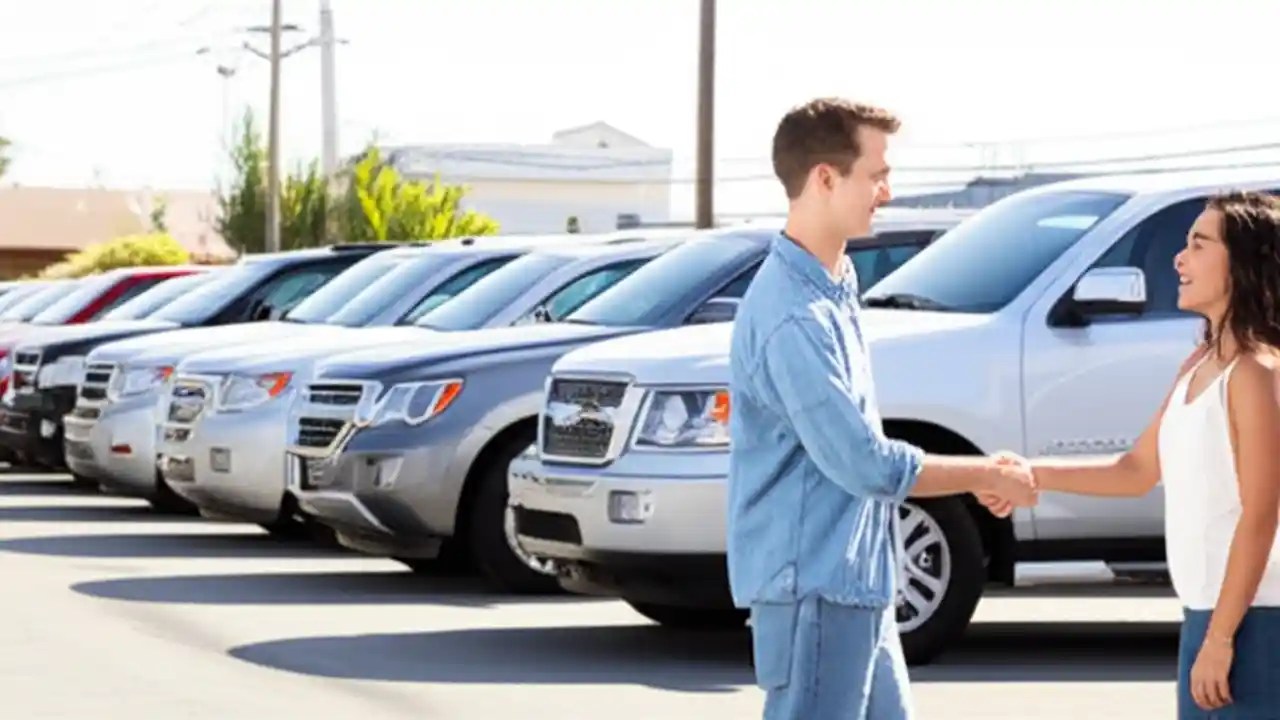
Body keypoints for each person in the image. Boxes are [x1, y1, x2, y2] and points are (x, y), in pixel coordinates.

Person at [726, 97, 1039, 720]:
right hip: (814, 589)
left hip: (857, 584)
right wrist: (983, 475)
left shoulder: (833, 285)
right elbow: (864, 463)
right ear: (824, 178)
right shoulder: (794, 316)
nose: (887, 192)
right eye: (876, 175)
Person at [998, 191, 1280, 718]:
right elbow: (1136, 470)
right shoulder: (1198, 365)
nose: (1179, 258)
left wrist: (1221, 641)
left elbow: (1261, 514)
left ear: (1242, 264)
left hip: (1256, 626)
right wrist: (1029, 473)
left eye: (1199, 244)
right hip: (1208, 617)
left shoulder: (1255, 373)